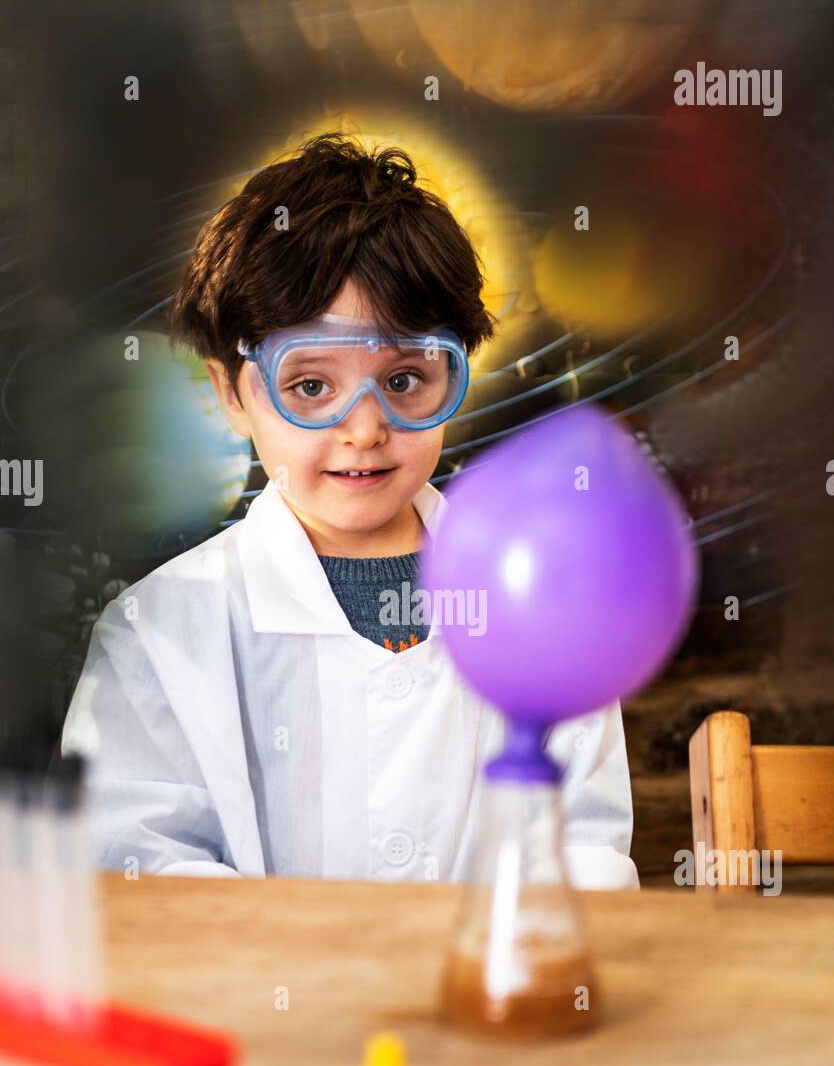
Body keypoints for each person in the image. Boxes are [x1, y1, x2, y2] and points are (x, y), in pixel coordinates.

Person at [61, 132, 639, 888]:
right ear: (229, 393)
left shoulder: (546, 606)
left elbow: (585, 857)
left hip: (483, 1002)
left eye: (402, 381)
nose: (364, 430)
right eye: (309, 387)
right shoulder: (161, 630)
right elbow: (134, 869)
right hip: (255, 1004)